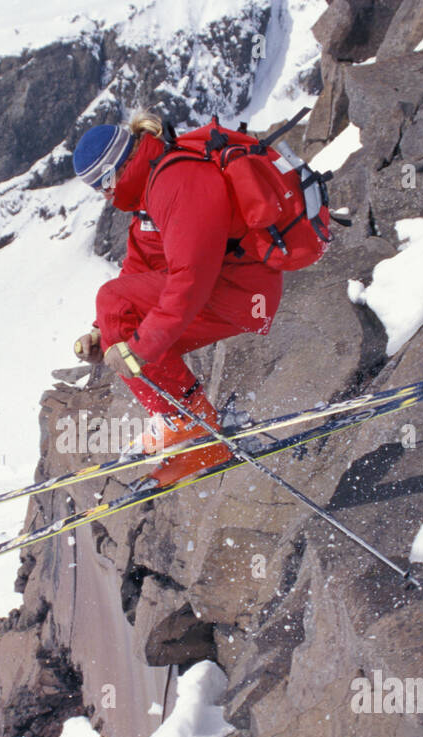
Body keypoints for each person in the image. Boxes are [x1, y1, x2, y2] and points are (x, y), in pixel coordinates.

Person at [72, 112, 284, 487]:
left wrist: (141, 345)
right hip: (223, 289)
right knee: (115, 319)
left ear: (122, 164)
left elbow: (192, 277)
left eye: (105, 183)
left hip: (240, 291)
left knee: (117, 310)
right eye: (96, 189)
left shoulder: (176, 180)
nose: (106, 195)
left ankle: (189, 419)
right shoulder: (148, 194)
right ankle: (195, 428)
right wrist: (101, 333)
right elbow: (137, 272)